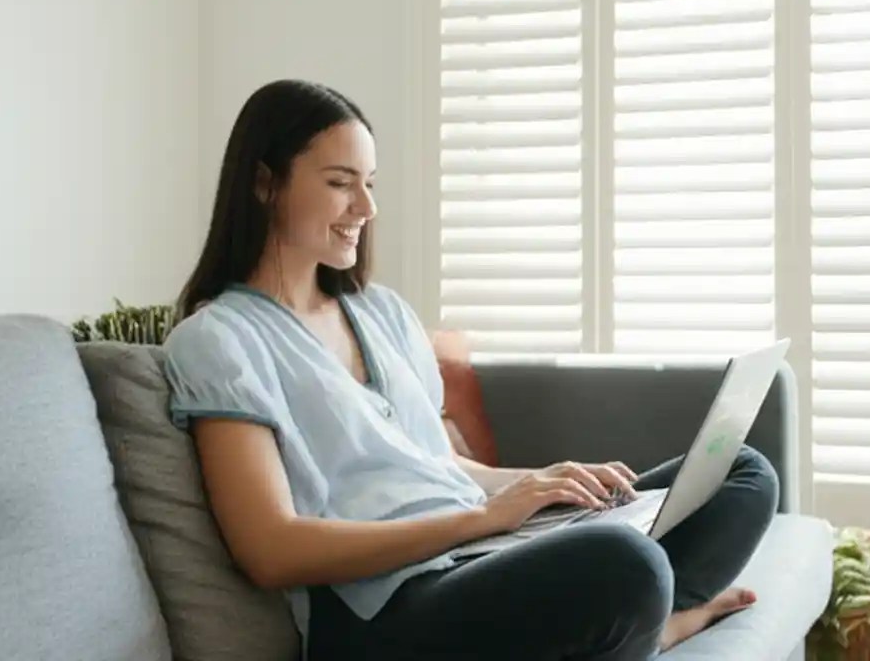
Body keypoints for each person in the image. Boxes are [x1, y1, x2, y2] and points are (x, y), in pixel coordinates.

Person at [162, 79, 780, 660]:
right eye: (340, 183)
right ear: (265, 184)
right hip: (382, 603)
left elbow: (439, 463)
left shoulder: (381, 312)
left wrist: (544, 485)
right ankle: (659, 627)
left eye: (369, 183)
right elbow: (270, 549)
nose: (367, 206)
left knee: (742, 472)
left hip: (479, 552)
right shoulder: (219, 340)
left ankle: (636, 626)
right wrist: (480, 521)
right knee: (628, 564)